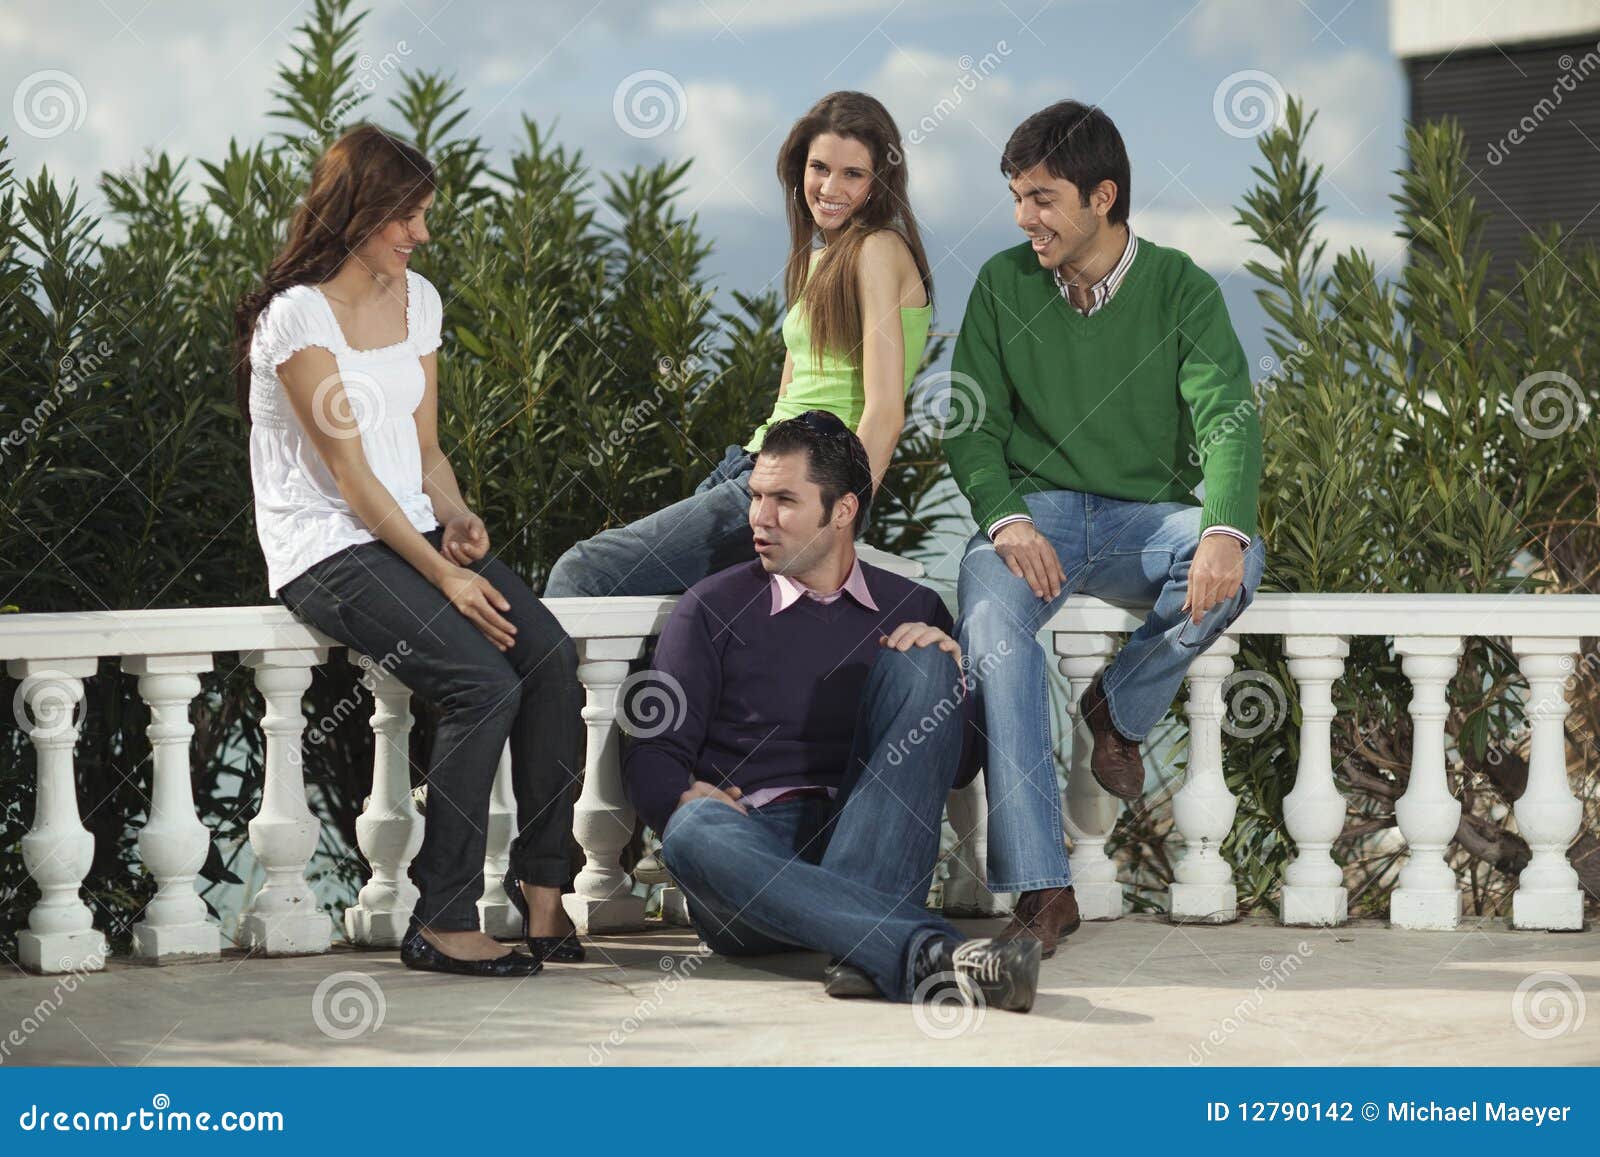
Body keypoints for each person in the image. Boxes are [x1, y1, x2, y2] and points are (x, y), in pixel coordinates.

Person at [236, 124, 584, 978]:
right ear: (356, 212)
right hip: (328, 548)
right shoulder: (297, 316)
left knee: (548, 658)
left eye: (423, 215)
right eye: (406, 216)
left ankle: (544, 892)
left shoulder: (416, 299)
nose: (420, 233)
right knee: (480, 683)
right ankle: (443, 919)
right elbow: (351, 476)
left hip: (414, 530)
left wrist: (456, 517)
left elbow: (423, 451)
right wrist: (445, 579)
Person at [947, 101, 1268, 959]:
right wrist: (1006, 518)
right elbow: (970, 426)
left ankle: (1117, 705)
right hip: (1036, 517)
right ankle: (1042, 887)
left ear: (1102, 197)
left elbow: (1229, 418)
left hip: (1141, 520)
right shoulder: (1002, 284)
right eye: (1017, 197)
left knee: (1243, 557)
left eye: (1042, 198)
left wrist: (1223, 528)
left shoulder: (1181, 287)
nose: (1025, 218)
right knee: (992, 626)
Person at [622, 413, 1040, 1012]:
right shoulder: (710, 607)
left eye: (784, 500)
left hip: (876, 844)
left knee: (925, 661)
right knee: (691, 829)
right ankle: (913, 948)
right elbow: (652, 752)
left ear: (842, 510)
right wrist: (682, 796)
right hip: (756, 856)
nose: (759, 518)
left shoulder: (914, 606)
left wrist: (950, 682)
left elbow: (957, 769)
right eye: (756, 497)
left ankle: (881, 950)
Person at [545, 90, 933, 598]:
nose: (829, 187)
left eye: (853, 174)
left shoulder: (878, 249)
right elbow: (788, 394)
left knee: (582, 572)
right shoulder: (819, 260)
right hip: (749, 466)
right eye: (819, 168)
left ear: (880, 180)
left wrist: (838, 522)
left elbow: (884, 412)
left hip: (801, 487)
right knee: (670, 615)